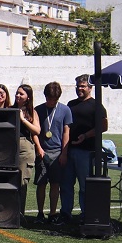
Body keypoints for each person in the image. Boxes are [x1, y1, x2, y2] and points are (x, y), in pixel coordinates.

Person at [65, 75, 108, 223]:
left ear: (90, 88)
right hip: (69, 150)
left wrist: (85, 135)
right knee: (66, 185)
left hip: (86, 152)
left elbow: (103, 126)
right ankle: (65, 213)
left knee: (85, 186)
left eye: (83, 86)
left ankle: (86, 214)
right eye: (78, 86)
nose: (80, 89)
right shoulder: (70, 104)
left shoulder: (96, 106)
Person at [35, 82, 73, 223]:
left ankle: (52, 213)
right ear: (45, 96)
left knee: (55, 184)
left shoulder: (65, 110)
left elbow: (66, 132)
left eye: (54, 99)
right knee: (41, 184)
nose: (51, 102)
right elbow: (35, 132)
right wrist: (38, 148)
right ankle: (40, 213)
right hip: (42, 152)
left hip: (57, 152)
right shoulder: (38, 109)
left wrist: (64, 153)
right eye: (49, 99)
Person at [14, 84, 42, 213]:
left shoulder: (32, 112)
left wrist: (23, 120)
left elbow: (37, 130)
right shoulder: (11, 108)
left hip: (25, 148)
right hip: (7, 148)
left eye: (21, 94)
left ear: (28, 97)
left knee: (21, 182)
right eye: (17, 93)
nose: (18, 96)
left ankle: (19, 213)